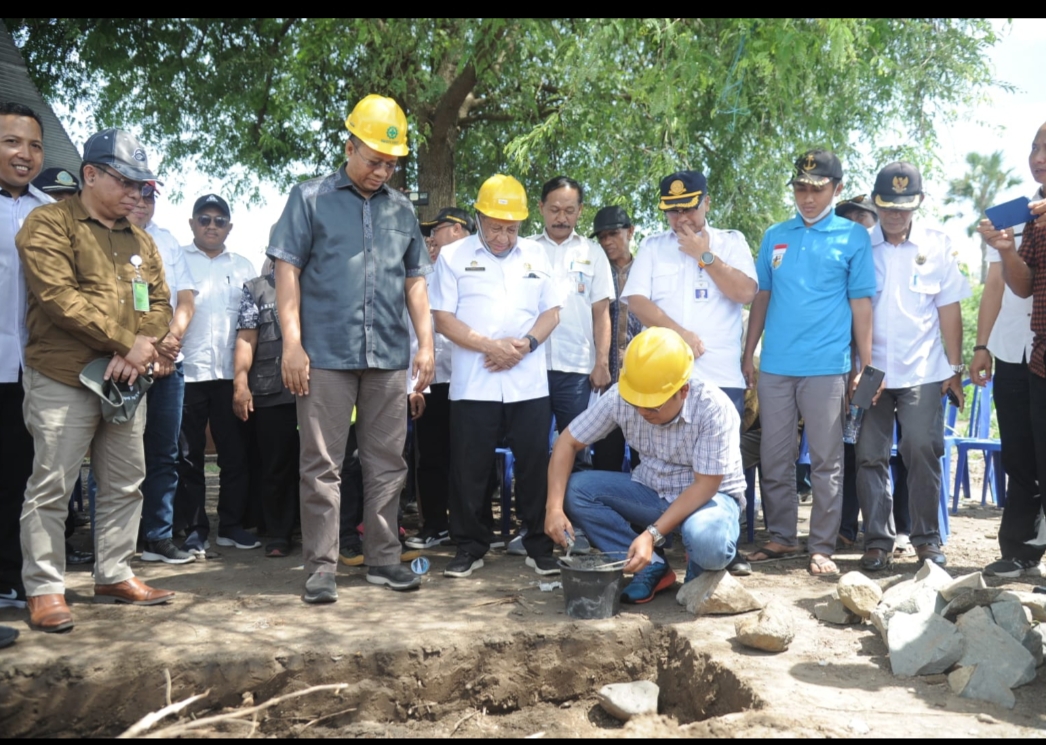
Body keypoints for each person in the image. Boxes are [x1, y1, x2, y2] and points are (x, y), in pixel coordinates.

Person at [269, 94, 434, 602]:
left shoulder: (403, 210)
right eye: (373, 160)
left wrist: (425, 344)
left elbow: (415, 282)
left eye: (391, 163)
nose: (382, 171)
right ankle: (321, 568)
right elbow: (287, 270)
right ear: (349, 146)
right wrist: (292, 345)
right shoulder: (310, 198)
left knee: (388, 461)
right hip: (326, 356)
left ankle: (384, 559)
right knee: (321, 463)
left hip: (387, 355)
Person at [16, 128, 175, 632]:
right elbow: (58, 297)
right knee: (52, 485)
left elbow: (159, 303)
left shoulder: (141, 240)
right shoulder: (48, 223)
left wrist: (141, 347)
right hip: (63, 377)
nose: (137, 194)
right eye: (126, 182)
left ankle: (114, 572)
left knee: (126, 482)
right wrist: (124, 342)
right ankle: (44, 587)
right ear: (90, 174)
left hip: (126, 383)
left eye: (144, 187)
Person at [742, 149, 875, 576]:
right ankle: (781, 537)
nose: (808, 197)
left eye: (817, 189)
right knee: (775, 457)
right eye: (801, 188)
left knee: (826, 461)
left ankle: (821, 545)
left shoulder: (852, 238)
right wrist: (749, 352)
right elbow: (762, 296)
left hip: (826, 366)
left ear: (837, 189)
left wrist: (864, 365)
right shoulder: (774, 236)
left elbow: (861, 306)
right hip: (776, 366)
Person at [544, 327, 748, 603]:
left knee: (708, 542)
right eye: (637, 402)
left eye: (653, 405)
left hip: (708, 500)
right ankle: (651, 565)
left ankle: (703, 564)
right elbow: (566, 442)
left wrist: (651, 534)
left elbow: (706, 486)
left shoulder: (712, 407)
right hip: (651, 490)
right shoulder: (622, 396)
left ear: (684, 390)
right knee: (577, 491)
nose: (642, 411)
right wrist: (553, 508)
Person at [431, 174, 563, 578]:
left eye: (511, 228)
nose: (503, 236)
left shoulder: (538, 256)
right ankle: (470, 545)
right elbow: (442, 318)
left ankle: (538, 544)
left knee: (533, 464)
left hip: (528, 381)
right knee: (470, 466)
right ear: (479, 217)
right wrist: (489, 346)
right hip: (475, 379)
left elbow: (552, 312)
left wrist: (525, 344)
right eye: (495, 227)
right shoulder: (453, 256)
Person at [855, 162, 969, 571]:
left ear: (918, 203)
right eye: (887, 205)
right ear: (876, 203)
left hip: (923, 369)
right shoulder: (859, 245)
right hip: (871, 371)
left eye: (904, 206)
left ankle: (925, 539)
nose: (895, 215)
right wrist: (856, 364)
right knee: (870, 454)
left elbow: (949, 309)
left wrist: (954, 368)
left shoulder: (936, 245)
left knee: (922, 448)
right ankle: (877, 542)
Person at [623, 171, 758, 415]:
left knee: (719, 454)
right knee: (658, 452)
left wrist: (704, 256)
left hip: (719, 378)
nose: (682, 218)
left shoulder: (731, 242)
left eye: (689, 209)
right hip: (661, 377)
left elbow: (746, 292)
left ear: (706, 202)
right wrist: (680, 335)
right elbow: (637, 302)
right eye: (674, 211)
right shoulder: (652, 246)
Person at [976, 120, 1046, 578]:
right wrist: (981, 345)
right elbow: (1002, 284)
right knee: (1020, 453)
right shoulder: (1017, 214)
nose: (1039, 156)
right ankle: (1020, 550)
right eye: (1035, 147)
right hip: (1016, 350)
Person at [176, 194, 258, 555]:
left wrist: (243, 380)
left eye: (219, 220)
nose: (212, 225)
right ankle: (194, 530)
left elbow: (249, 326)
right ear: (192, 223)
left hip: (230, 376)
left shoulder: (243, 267)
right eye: (204, 219)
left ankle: (231, 525)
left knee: (236, 455)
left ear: (230, 226)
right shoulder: (176, 261)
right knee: (188, 457)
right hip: (185, 373)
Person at [126, 183, 197, 564]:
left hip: (170, 363)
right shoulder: (103, 234)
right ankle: (118, 542)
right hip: (123, 361)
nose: (141, 202)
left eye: (149, 196)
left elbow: (185, 300)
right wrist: (149, 348)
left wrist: (171, 341)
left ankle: (158, 537)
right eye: (134, 193)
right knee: (117, 455)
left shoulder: (167, 241)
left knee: (165, 453)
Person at [0, 102, 49, 612]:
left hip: (30, 370)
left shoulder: (51, 214)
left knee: (20, 476)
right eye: (13, 142)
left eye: (34, 145)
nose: (25, 154)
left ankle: (12, 577)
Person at [405, 207, 472, 550]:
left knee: (469, 456)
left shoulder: (478, 270)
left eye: (439, 229)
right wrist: (413, 384)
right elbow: (413, 335)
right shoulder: (423, 277)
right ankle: (435, 524)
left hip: (472, 379)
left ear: (460, 231)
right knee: (430, 455)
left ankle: (470, 528)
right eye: (427, 232)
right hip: (431, 380)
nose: (431, 237)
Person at [529, 176, 613, 441]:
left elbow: (601, 313)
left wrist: (601, 362)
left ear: (580, 210)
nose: (561, 218)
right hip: (531, 366)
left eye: (569, 211)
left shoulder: (593, 252)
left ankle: (575, 486)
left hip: (577, 371)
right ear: (541, 207)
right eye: (554, 210)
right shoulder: (526, 251)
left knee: (576, 446)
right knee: (531, 447)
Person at [233, 258, 300, 558]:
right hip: (271, 390)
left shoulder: (321, 283)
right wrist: (240, 382)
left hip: (318, 389)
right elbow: (247, 338)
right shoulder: (257, 289)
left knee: (321, 465)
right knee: (275, 465)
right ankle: (279, 533)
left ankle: (322, 532)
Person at [590, 205, 642, 472]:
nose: (606, 241)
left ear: (630, 232)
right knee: (605, 459)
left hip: (644, 384)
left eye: (612, 234)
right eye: (601, 237)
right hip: (605, 384)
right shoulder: (596, 272)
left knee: (644, 461)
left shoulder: (647, 269)